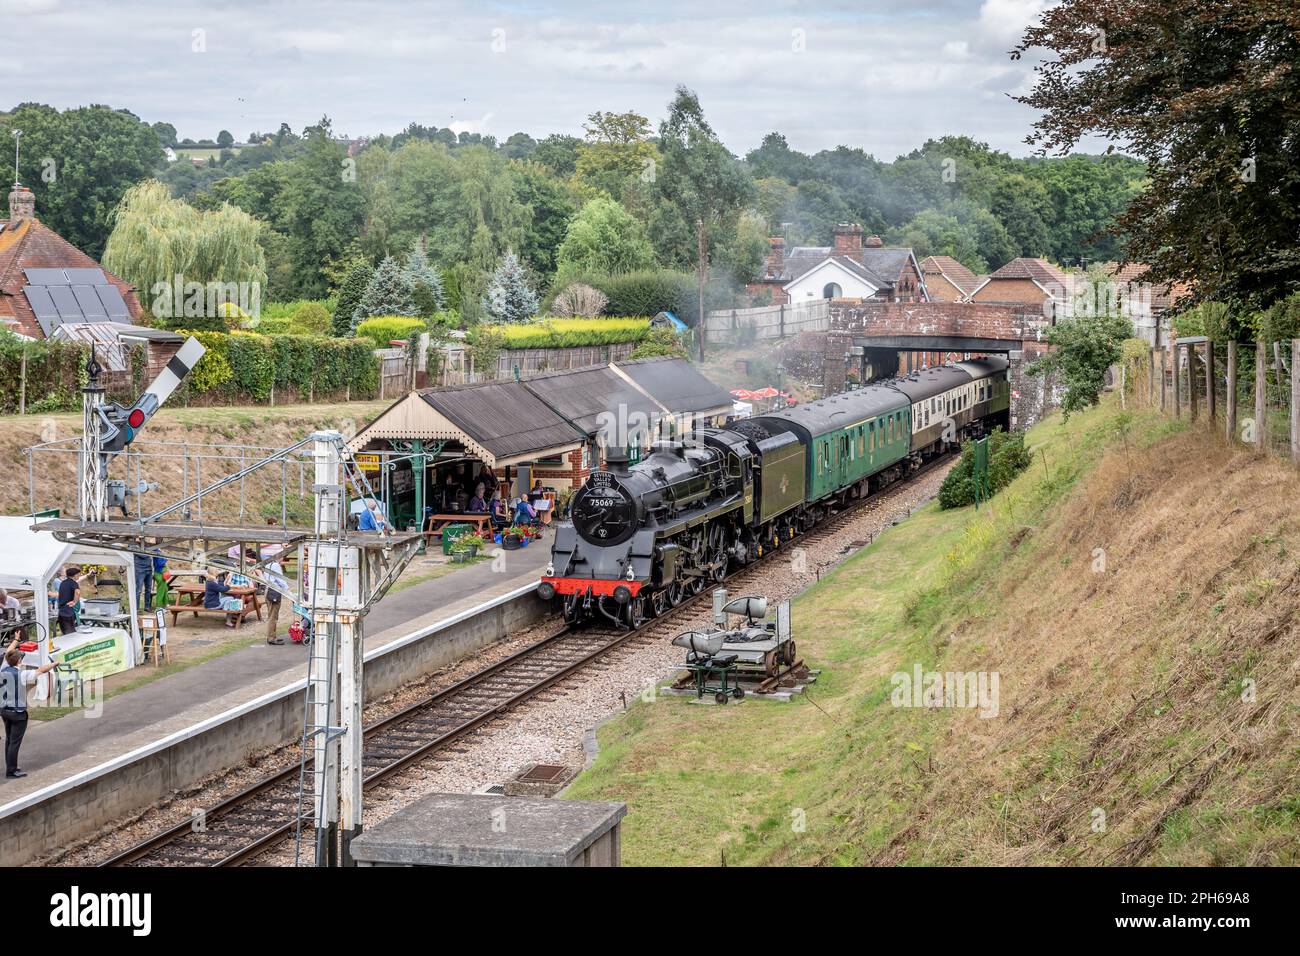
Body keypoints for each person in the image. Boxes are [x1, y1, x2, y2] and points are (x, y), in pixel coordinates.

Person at [2, 637, 58, 778]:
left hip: (4, 710)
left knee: (9, 739)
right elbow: (41, 670)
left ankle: (10, 766)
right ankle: (11, 770)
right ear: (19, 661)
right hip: (18, 713)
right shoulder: (21, 674)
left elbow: (8, 652)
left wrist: (15, 639)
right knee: (14, 742)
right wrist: (55, 663)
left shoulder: (3, 668)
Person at [263, 558, 287, 646]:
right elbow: (280, 579)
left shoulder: (267, 564)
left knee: (271, 615)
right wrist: (288, 590)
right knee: (273, 616)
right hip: (274, 591)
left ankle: (272, 635)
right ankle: (271, 638)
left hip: (268, 590)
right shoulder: (276, 565)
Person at [55, 567, 81, 636]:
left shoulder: (62, 583)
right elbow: (77, 592)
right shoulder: (74, 583)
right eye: (78, 575)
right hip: (68, 612)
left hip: (61, 611)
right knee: (70, 635)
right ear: (74, 575)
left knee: (64, 633)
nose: (79, 576)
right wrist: (75, 602)